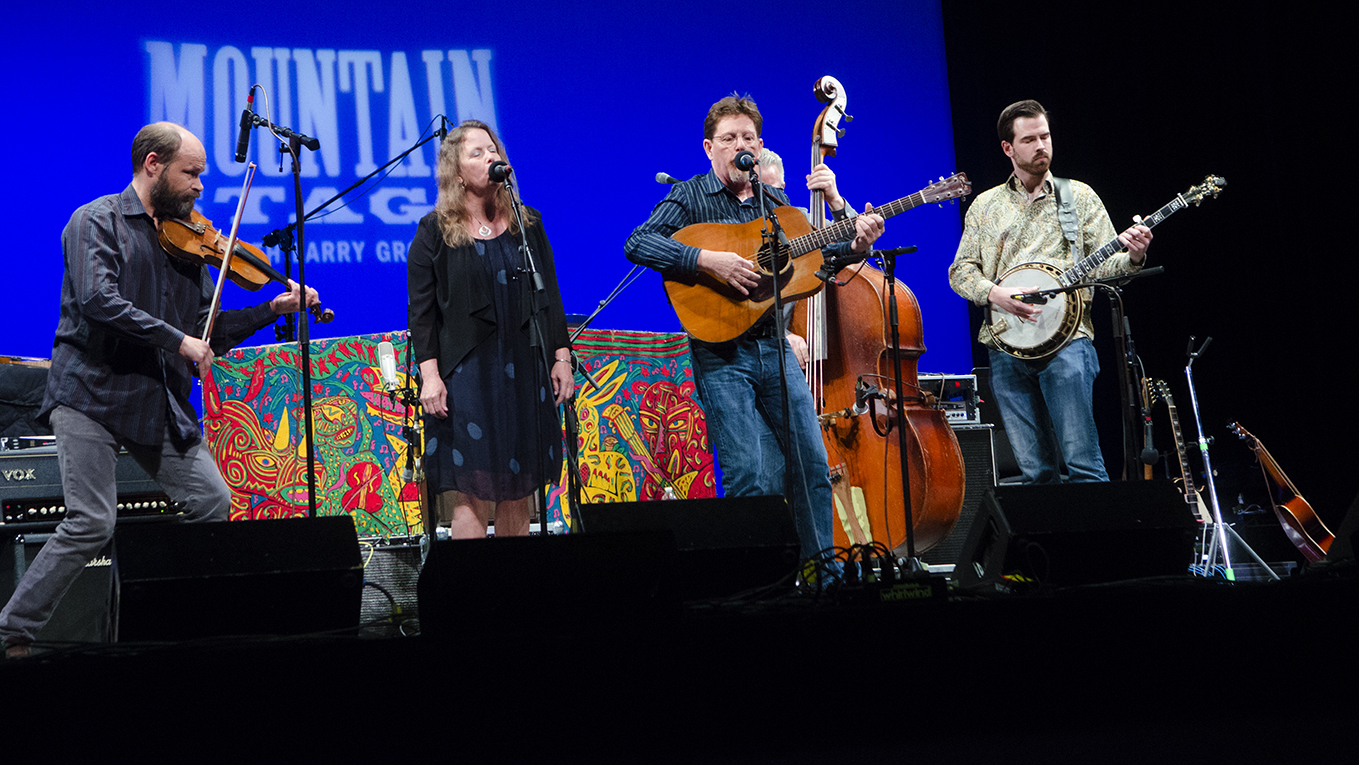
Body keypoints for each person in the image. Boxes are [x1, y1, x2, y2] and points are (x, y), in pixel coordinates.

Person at [0, 122, 319, 658]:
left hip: (153, 396)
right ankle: (12, 630)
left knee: (211, 500)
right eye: (190, 173)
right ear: (153, 164)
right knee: (92, 520)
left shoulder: (185, 242)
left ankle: (168, 620)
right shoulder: (94, 221)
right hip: (91, 393)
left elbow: (204, 325)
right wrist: (178, 341)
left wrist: (271, 309)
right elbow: (99, 302)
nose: (199, 186)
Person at [625, 95, 885, 561]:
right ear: (709, 147)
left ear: (759, 145)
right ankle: (757, 581)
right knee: (750, 473)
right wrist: (706, 260)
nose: (739, 145)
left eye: (747, 138)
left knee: (811, 466)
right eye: (729, 138)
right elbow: (638, 242)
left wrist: (855, 238)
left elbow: (817, 259)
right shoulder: (690, 196)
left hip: (776, 350)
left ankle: (820, 578)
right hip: (721, 353)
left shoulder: (776, 204)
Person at [947, 100, 1152, 484]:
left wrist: (1134, 256)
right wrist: (996, 294)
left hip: (1067, 344)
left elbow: (1106, 269)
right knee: (1035, 473)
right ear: (1008, 148)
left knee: (1084, 465)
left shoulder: (1078, 196)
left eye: (1045, 136)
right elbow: (961, 272)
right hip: (1005, 346)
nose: (1041, 145)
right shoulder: (985, 205)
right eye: (1030, 139)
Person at [407, 120, 573, 540]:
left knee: (518, 485)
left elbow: (549, 295)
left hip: (523, 366)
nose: (490, 157)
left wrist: (561, 356)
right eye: (476, 153)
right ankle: (474, 595)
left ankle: (512, 592)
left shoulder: (527, 223)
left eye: (492, 149)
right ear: (457, 172)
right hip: (467, 375)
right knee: (471, 486)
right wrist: (429, 375)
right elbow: (421, 314)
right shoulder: (434, 231)